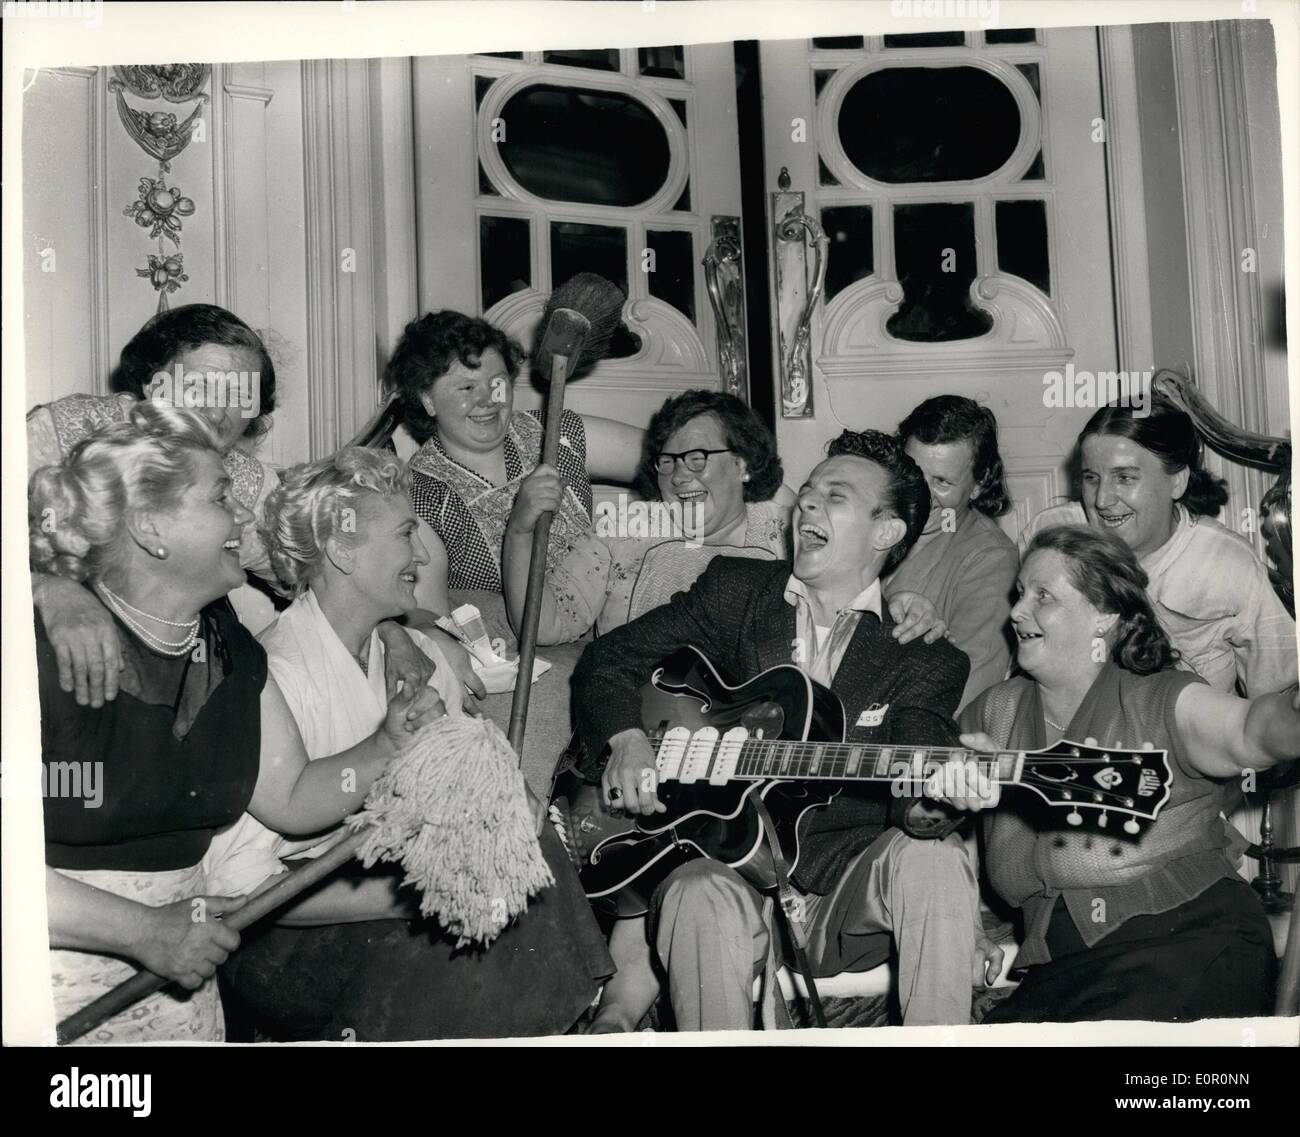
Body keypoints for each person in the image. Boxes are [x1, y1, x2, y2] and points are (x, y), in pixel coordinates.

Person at [31, 404, 447, 1043]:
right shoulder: (42, 650)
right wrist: (144, 930)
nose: (243, 520)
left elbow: (292, 798)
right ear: (151, 529)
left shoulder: (226, 643)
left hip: (185, 984)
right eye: (221, 497)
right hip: (51, 984)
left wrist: (390, 743)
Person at [572, 429, 987, 1030]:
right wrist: (627, 740)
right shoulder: (737, 591)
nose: (808, 504)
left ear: (886, 532)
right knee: (692, 894)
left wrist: (945, 796)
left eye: (835, 496)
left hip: (843, 886)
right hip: (725, 872)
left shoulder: (923, 657)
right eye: (810, 491)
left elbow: (916, 807)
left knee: (937, 858)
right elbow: (609, 660)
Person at [210, 447, 615, 1040]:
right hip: (293, 939)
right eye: (406, 535)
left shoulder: (418, 659)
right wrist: (415, 898)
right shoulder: (274, 677)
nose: (423, 555)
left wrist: (507, 799)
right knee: (468, 951)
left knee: (528, 845)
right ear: (343, 549)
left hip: (398, 893)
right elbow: (237, 893)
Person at [29, 304, 469, 715]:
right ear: (150, 381)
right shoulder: (62, 429)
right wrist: (51, 589)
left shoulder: (247, 484)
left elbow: (322, 572)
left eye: (239, 393)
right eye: (198, 386)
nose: (218, 410)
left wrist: (391, 630)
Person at [936, 525, 1298, 1022]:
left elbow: (1252, 730)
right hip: (1062, 971)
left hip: (1188, 943)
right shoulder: (992, 713)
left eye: (1044, 596)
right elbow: (929, 825)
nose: (1017, 611)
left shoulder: (1160, 699)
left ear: (1104, 617)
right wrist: (961, 920)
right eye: (1021, 594)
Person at [374, 309, 644, 618]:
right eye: (466, 388)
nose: (488, 400)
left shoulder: (554, 434)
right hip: (522, 656)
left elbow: (668, 457)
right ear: (428, 400)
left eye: (498, 383)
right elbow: (429, 622)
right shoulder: (423, 498)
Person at [1021, 397, 1296, 695]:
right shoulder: (1050, 539)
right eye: (1091, 478)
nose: (1102, 500)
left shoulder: (1226, 562)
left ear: (1177, 482)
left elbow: (1278, 694)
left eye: (1124, 478)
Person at [886, 395, 1019, 708]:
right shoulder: (874, 524)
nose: (920, 493)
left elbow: (965, 697)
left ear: (979, 483)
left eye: (942, 482)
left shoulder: (991, 560)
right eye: (913, 472)